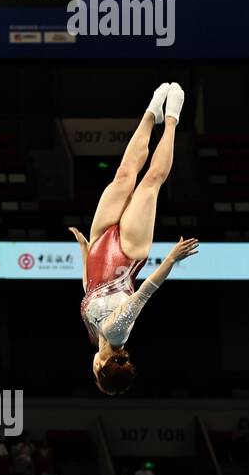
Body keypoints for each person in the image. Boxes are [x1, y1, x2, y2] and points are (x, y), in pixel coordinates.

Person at [71, 84, 199, 395]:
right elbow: (144, 293)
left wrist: (86, 251)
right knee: (149, 183)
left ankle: (151, 112)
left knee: (124, 174)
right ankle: (171, 118)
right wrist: (171, 259)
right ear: (101, 368)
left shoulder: (94, 335)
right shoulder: (117, 333)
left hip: (100, 245)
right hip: (127, 253)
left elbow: (91, 291)